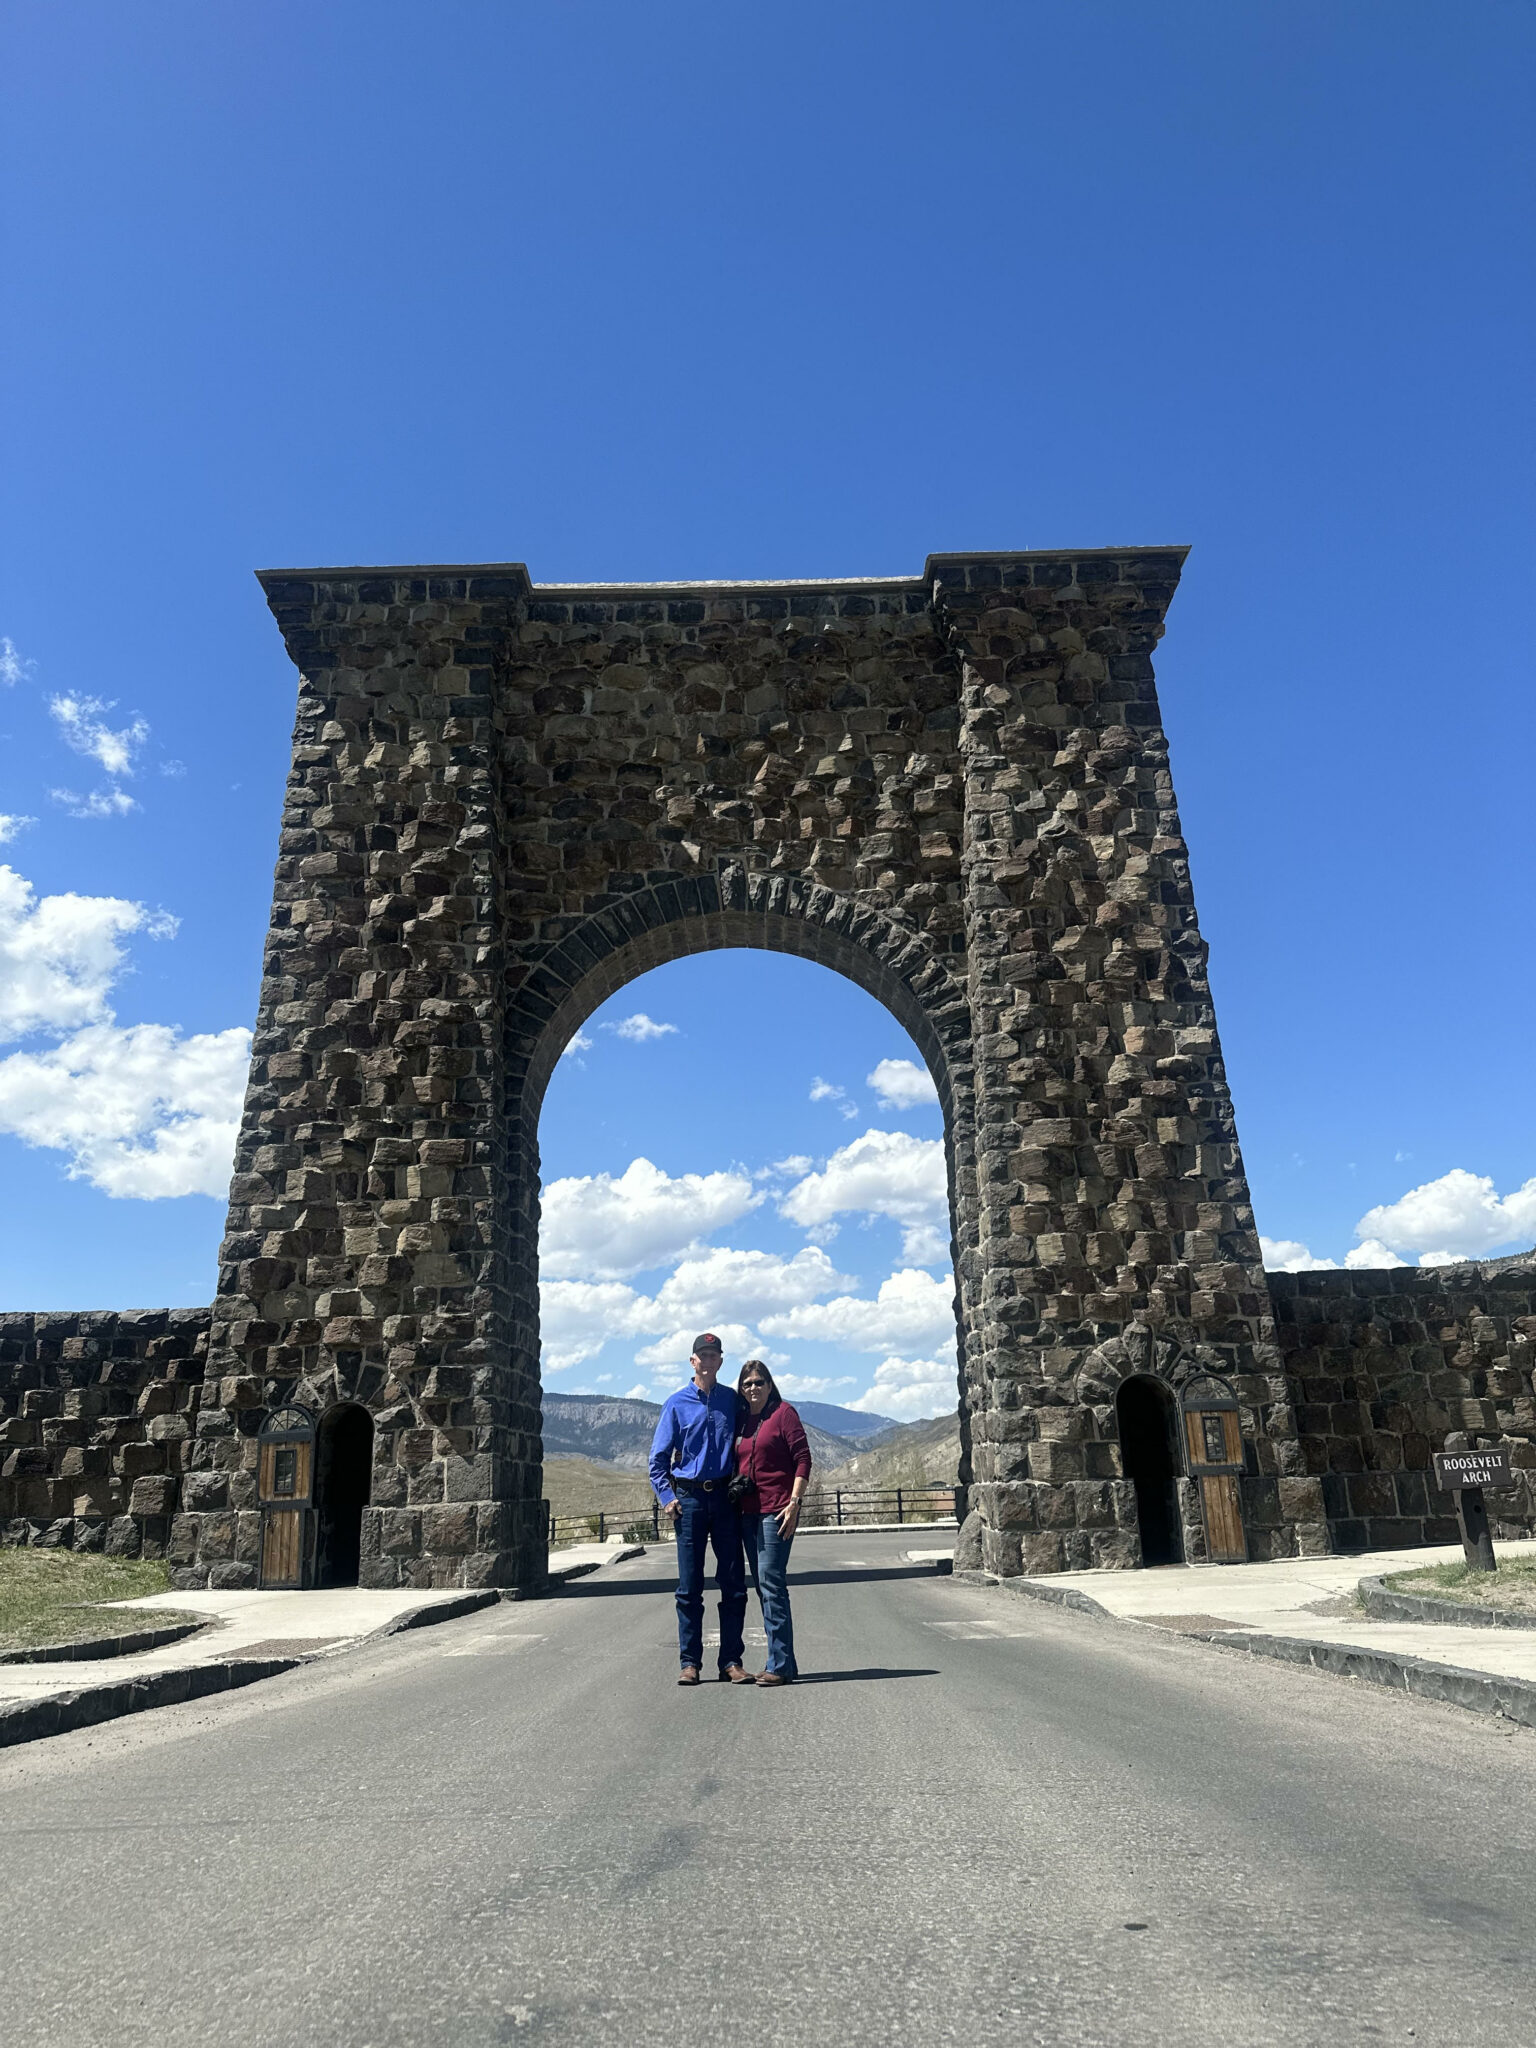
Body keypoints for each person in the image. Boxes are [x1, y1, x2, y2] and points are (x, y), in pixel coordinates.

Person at [647, 1332, 751, 1686]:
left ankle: (731, 1661)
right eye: (702, 1355)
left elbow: (750, 1443)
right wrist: (666, 1497)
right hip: (689, 1501)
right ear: (692, 1361)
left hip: (725, 1499)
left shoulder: (732, 1402)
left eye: (713, 1355)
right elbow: (657, 1459)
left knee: (733, 1582)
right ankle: (690, 1662)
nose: (707, 1361)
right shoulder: (676, 1404)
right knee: (689, 1586)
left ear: (721, 1361)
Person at [734, 1359, 811, 1687]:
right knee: (765, 1588)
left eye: (759, 1382)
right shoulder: (742, 1420)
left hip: (776, 1511)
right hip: (747, 1513)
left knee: (771, 1584)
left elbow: (803, 1459)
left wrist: (794, 1502)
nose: (753, 1388)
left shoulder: (784, 1414)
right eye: (747, 1383)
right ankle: (785, 1663)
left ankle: (778, 1664)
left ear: (770, 1385)